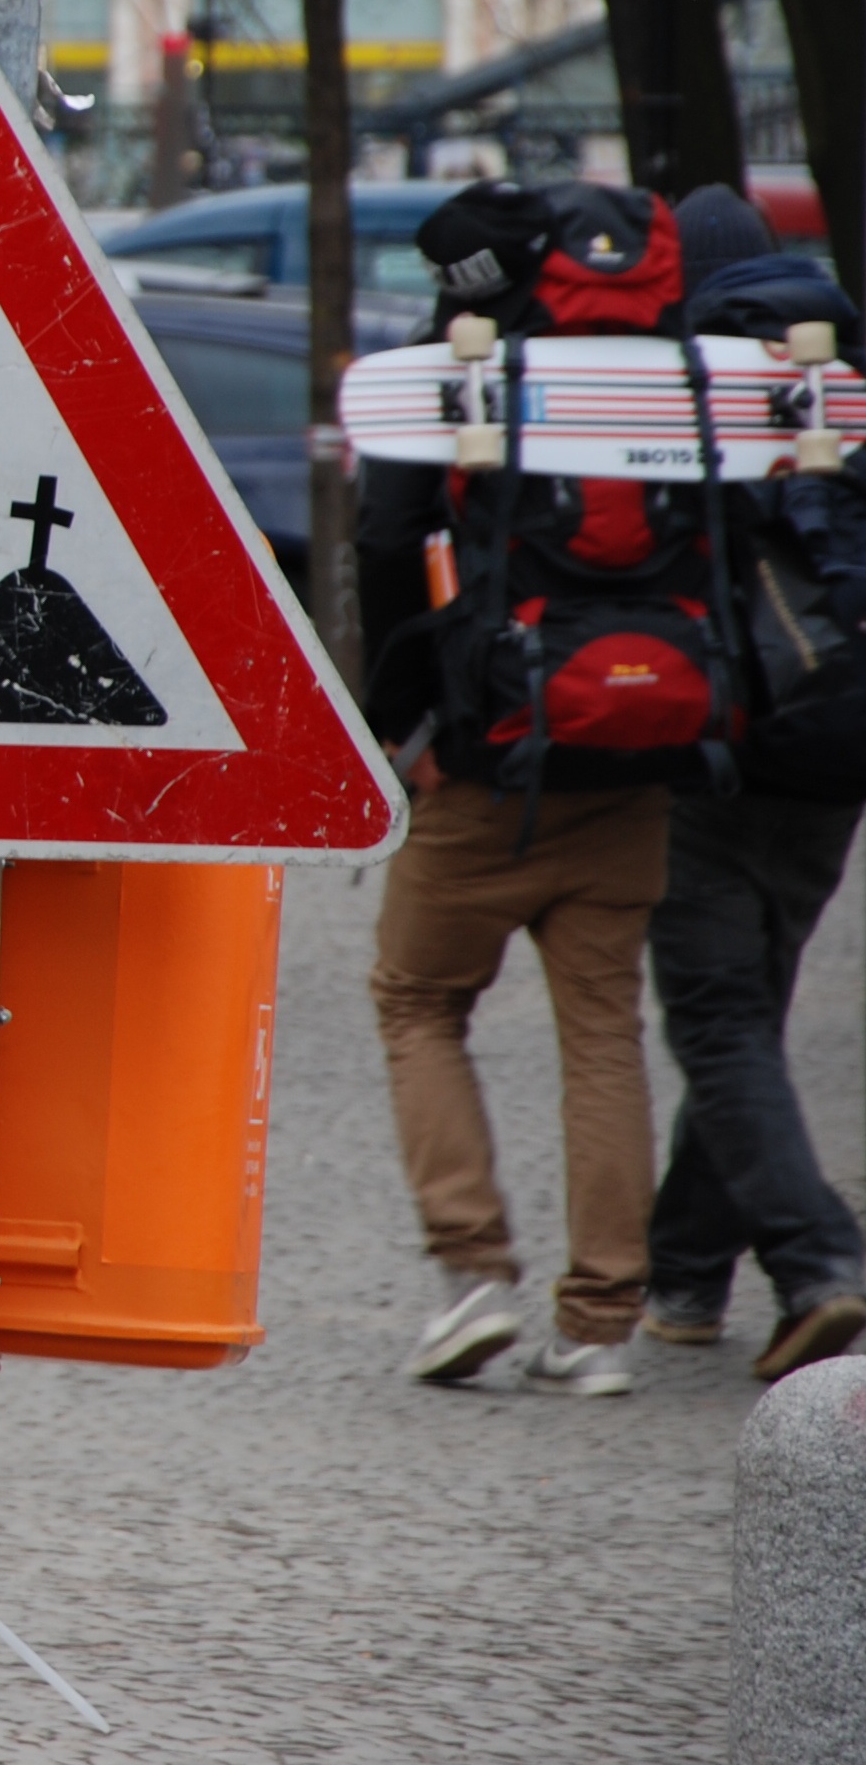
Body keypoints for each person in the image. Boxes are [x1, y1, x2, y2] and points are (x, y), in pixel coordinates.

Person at [354, 188, 681, 1398]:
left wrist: (405, 728)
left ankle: (471, 1278)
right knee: (601, 1037)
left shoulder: (449, 376)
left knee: (416, 999)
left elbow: (385, 546)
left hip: (485, 757)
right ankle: (597, 1326)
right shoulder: (667, 373)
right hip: (633, 747)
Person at [641, 182, 866, 1381]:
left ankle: (816, 1260)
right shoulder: (839, 378)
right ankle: (683, 1277)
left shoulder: (670, 396)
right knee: (746, 1012)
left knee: (717, 1015)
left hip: (722, 745)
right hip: (841, 750)